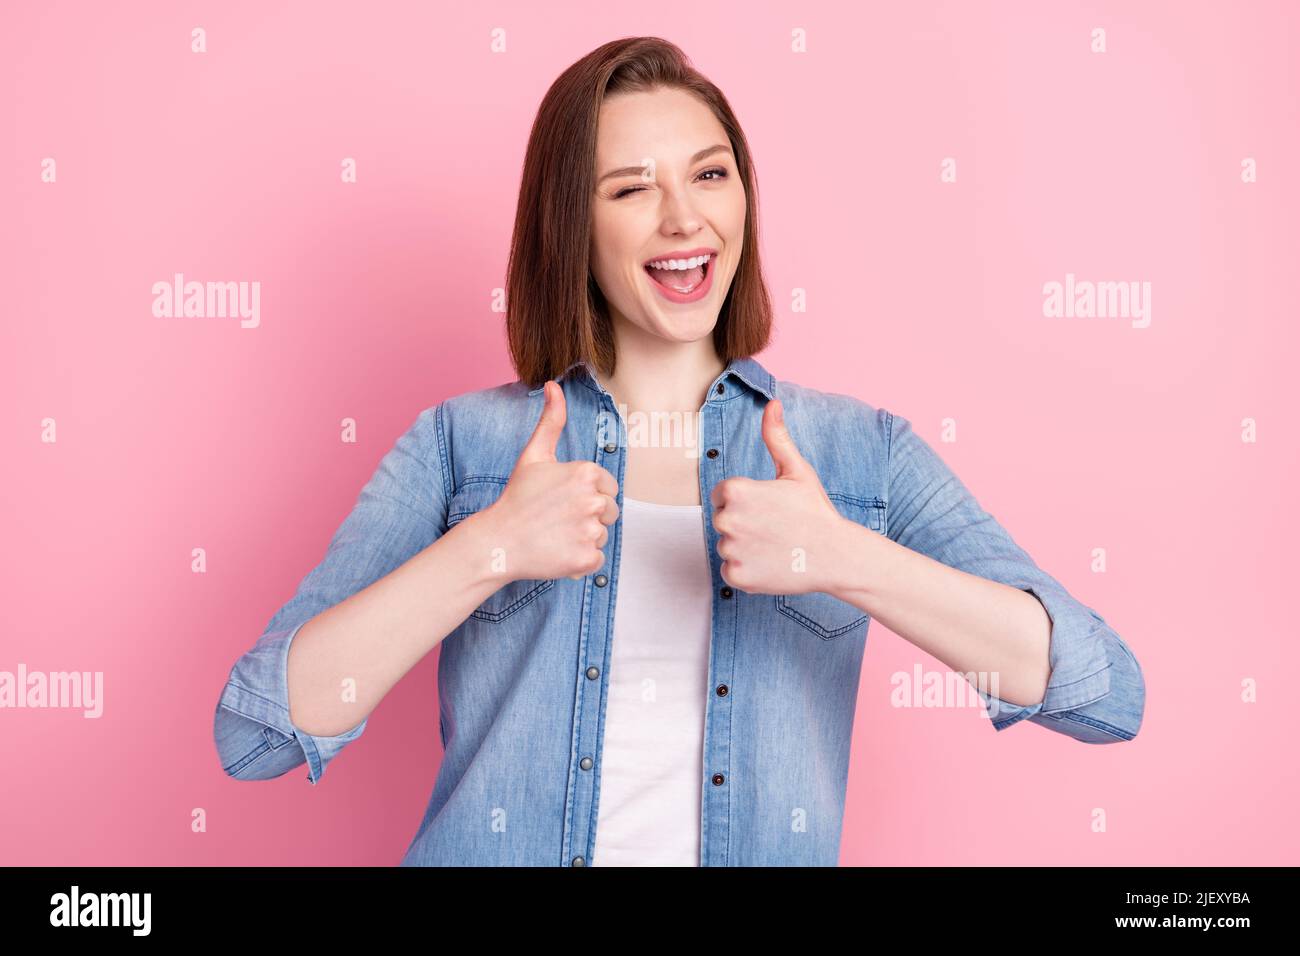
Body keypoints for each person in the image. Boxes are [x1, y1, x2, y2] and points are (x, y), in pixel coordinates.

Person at [213, 36, 1145, 867]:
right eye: (630, 188)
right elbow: (256, 734)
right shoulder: (463, 445)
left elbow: (1103, 697)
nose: (682, 219)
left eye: (709, 174)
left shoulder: (859, 454)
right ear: (571, 227)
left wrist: (845, 557)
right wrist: (490, 547)